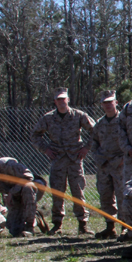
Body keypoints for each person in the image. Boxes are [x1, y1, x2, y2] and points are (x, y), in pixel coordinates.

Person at [31, 87, 95, 234]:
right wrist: (45, 149)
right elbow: (35, 135)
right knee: (57, 192)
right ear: (55, 101)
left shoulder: (78, 115)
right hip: (57, 160)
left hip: (75, 159)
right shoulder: (48, 118)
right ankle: (57, 224)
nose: (61, 102)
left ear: (68, 99)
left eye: (63, 99)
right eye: (58, 99)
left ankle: (82, 224)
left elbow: (95, 131)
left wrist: (86, 148)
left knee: (78, 192)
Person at [88, 89, 132, 238]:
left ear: (116, 102)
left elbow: (130, 140)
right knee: (105, 196)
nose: (108, 105)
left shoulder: (122, 120)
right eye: (105, 103)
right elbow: (93, 142)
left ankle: (125, 226)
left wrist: (123, 158)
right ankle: (110, 226)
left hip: (119, 165)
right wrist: (97, 157)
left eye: (110, 102)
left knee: (122, 196)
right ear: (101, 104)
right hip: (104, 166)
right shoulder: (99, 123)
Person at [0, 157, 37, 238]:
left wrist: (11, 192)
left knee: (28, 187)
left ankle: (30, 226)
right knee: (15, 230)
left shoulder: (5, 164)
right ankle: (36, 217)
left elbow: (28, 177)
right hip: (15, 198)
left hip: (32, 189)